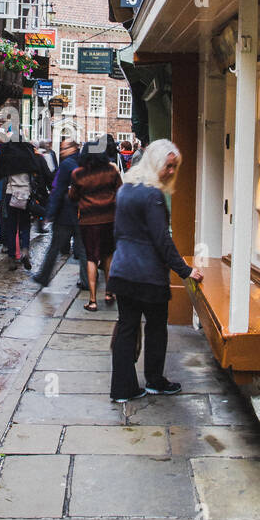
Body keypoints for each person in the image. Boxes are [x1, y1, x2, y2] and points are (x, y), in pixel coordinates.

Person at [107, 139, 203, 404]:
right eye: (168, 166)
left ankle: (122, 389)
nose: (172, 172)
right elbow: (162, 240)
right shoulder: (152, 195)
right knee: (156, 328)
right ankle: (155, 381)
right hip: (147, 276)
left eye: (175, 167)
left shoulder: (126, 188)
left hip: (122, 271)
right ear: (155, 163)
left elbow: (118, 232)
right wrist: (186, 271)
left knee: (127, 328)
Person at [68, 135, 121, 311]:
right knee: (108, 256)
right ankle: (109, 292)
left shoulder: (78, 174)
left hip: (88, 220)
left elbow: (73, 197)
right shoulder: (111, 171)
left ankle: (92, 300)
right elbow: (120, 191)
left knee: (91, 257)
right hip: (109, 218)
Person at [32, 136, 89, 290]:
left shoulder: (67, 165)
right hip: (82, 213)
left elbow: (58, 190)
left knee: (54, 247)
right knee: (83, 249)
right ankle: (86, 280)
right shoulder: (83, 163)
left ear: (72, 148)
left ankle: (44, 276)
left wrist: (49, 214)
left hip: (65, 214)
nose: (62, 151)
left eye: (64, 148)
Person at [0, 128, 44, 271]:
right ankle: (25, 251)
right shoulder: (28, 154)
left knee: (11, 226)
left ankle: (11, 256)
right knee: (24, 225)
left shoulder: (7, 154)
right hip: (25, 194)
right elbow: (36, 173)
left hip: (11, 194)